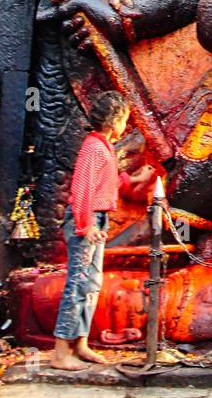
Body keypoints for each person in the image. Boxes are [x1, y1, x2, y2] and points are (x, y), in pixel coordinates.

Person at [51, 91, 153, 370]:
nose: (126, 126)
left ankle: (81, 343)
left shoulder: (104, 146)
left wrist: (134, 178)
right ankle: (60, 350)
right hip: (87, 220)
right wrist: (86, 226)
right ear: (114, 121)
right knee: (77, 283)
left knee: (91, 283)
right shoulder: (93, 148)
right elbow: (82, 189)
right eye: (125, 120)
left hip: (97, 219)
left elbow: (106, 180)